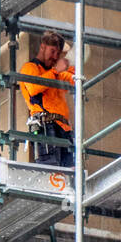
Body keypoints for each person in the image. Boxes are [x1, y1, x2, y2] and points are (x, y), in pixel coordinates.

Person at [19, 30, 75, 167]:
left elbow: (72, 82)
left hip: (63, 127)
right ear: (42, 47)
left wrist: (72, 68)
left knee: (70, 171)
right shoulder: (30, 67)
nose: (55, 56)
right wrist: (56, 70)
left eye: (58, 53)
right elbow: (34, 88)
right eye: (52, 51)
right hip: (45, 124)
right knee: (51, 167)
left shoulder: (55, 73)